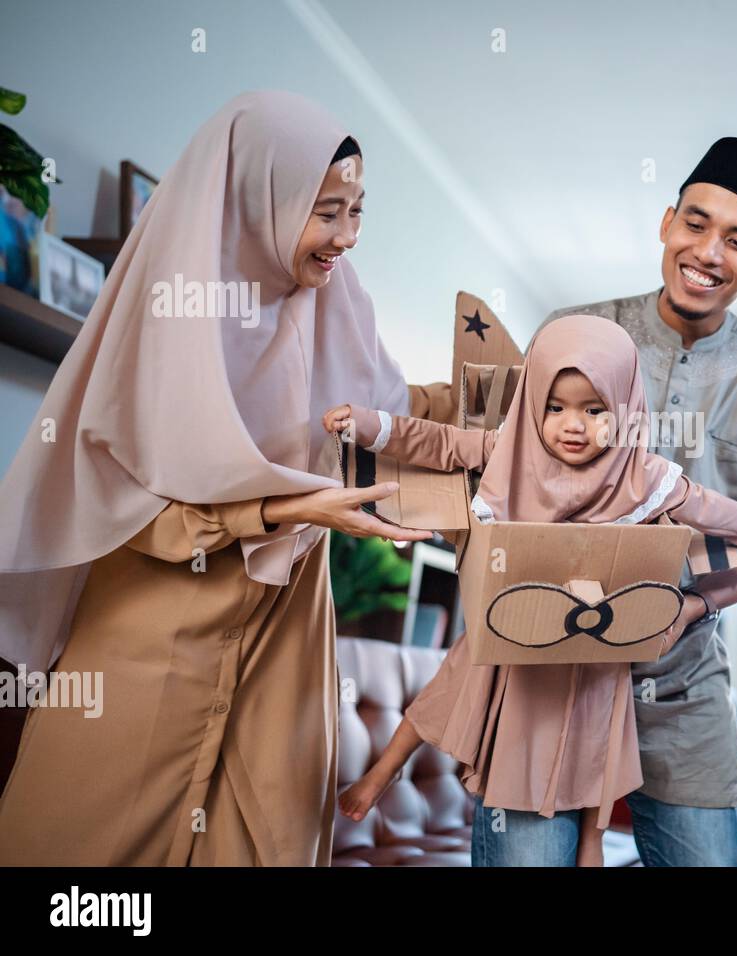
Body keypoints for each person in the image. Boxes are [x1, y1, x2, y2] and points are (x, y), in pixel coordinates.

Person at [0, 91, 433, 865]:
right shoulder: (167, 320)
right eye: (326, 211)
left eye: (357, 212)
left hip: (284, 655)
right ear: (255, 201)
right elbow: (127, 511)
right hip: (151, 648)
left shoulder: (340, 311)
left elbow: (400, 421)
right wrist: (279, 508)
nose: (345, 238)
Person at [327, 314, 737, 866]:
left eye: (595, 411)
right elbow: (440, 443)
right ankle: (384, 770)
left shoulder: (649, 480)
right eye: (555, 406)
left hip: (597, 650)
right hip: (513, 643)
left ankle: (592, 842)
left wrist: (697, 603)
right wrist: (368, 424)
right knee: (459, 671)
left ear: (625, 407)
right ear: (532, 403)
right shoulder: (511, 451)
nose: (572, 425)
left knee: (600, 728)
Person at [539, 137, 737, 865]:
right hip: (543, 675)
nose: (707, 251)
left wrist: (687, 611)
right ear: (666, 222)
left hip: (682, 690)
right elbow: (504, 480)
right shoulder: (573, 333)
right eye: (695, 223)